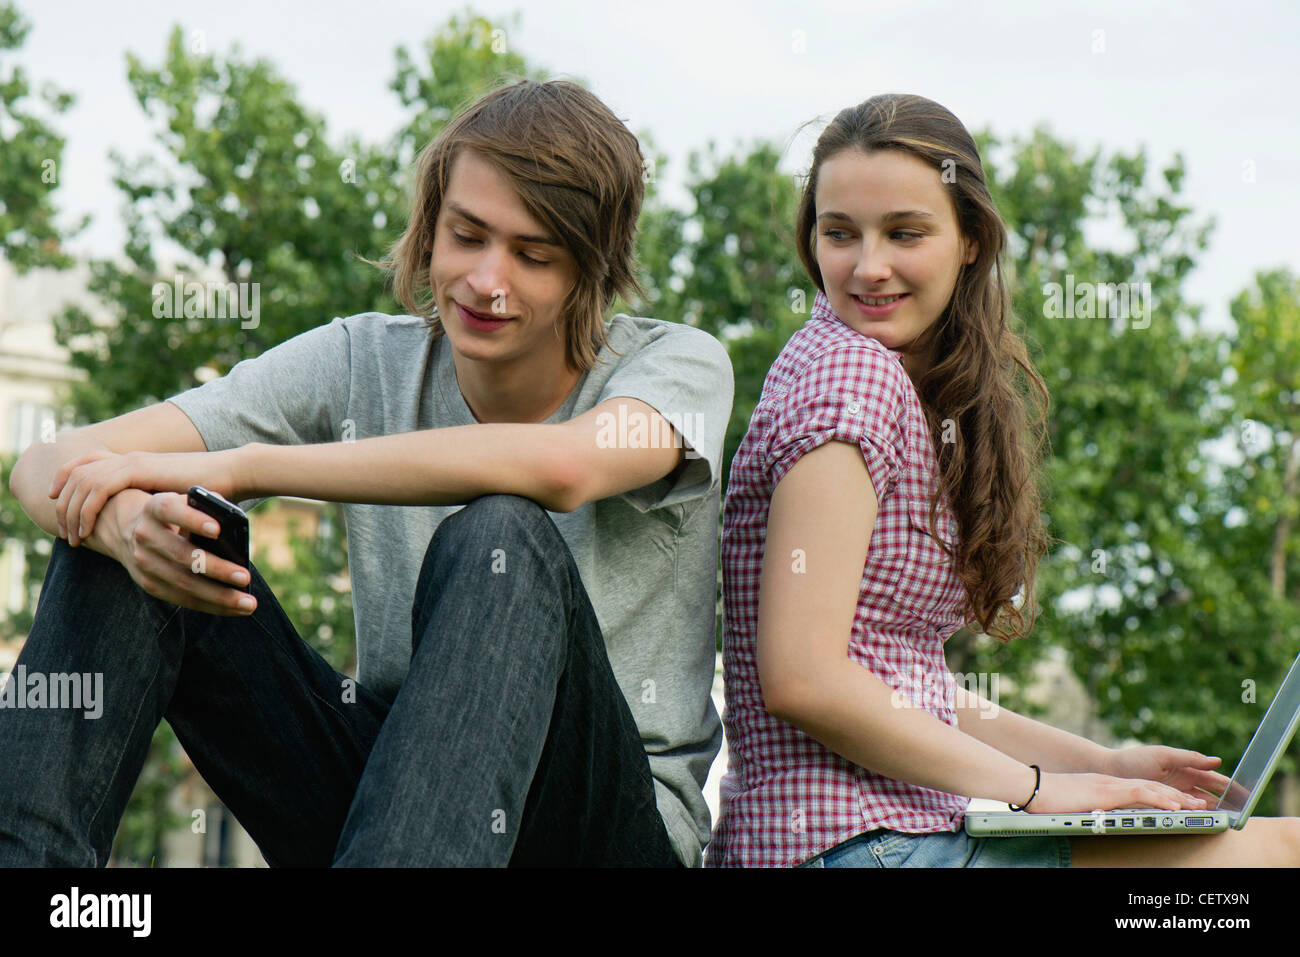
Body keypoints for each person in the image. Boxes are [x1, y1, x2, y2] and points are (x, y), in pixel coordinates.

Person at [0, 78, 733, 867]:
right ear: (430, 229)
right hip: (402, 804)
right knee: (140, 518)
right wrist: (118, 521)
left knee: (502, 531)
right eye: (468, 235)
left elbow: (560, 466)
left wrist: (247, 466)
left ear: (589, 268)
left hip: (601, 835)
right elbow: (44, 463)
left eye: (533, 254)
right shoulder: (364, 357)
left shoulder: (676, 367)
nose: (489, 280)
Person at [703, 92, 1300, 868]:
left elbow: (907, 686)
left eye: (904, 232)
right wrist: (1035, 786)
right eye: (838, 233)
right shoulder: (851, 378)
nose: (866, 265)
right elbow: (803, 677)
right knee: (1273, 853)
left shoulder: (889, 378)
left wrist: (1101, 763)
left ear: (971, 241)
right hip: (845, 847)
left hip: (879, 840)